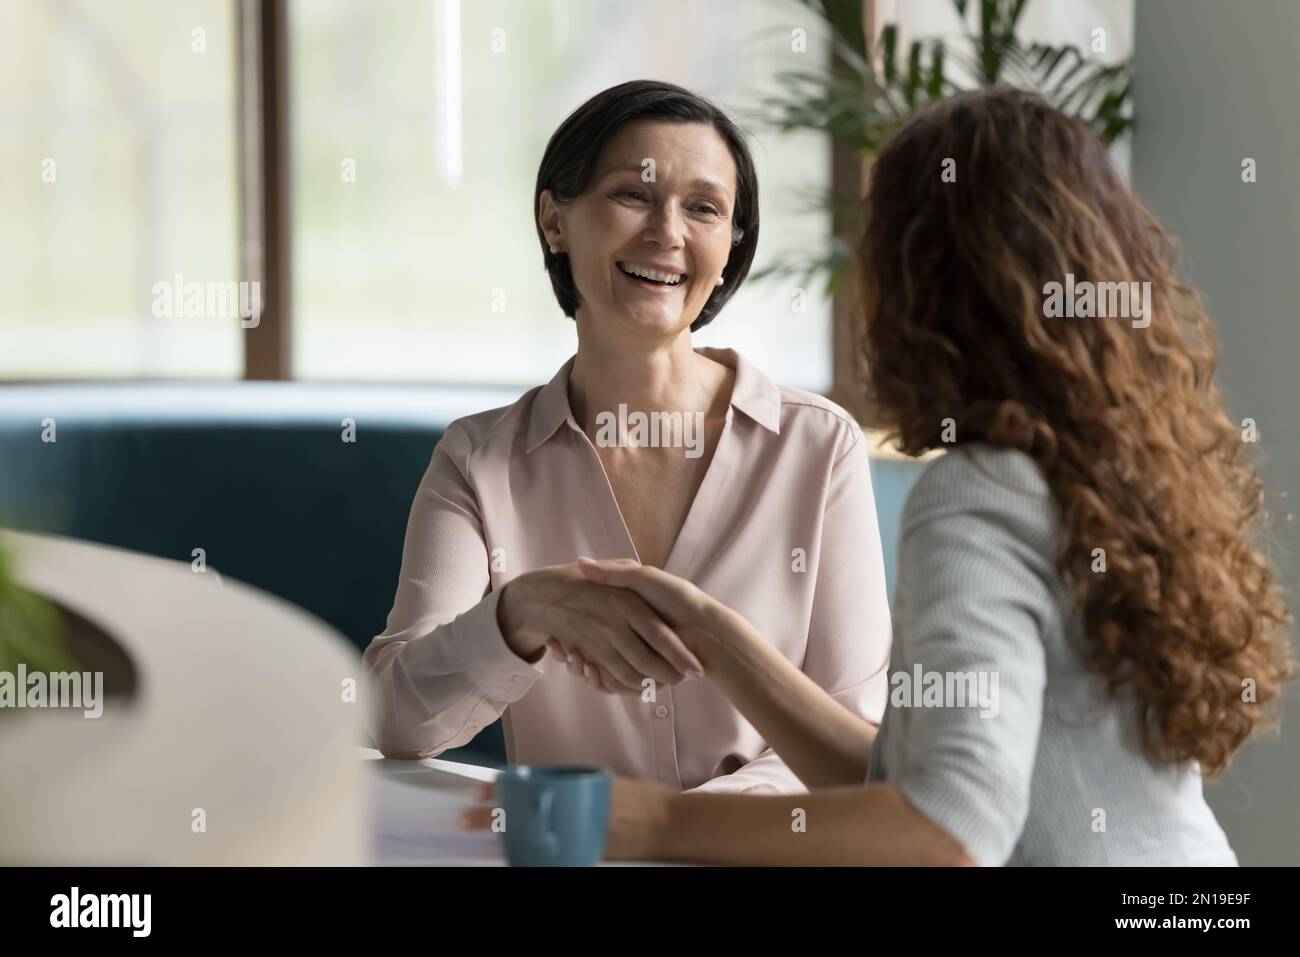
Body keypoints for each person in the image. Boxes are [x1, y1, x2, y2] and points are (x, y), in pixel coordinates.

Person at [464, 87, 1293, 865]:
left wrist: (650, 818)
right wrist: (715, 638)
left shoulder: (978, 497)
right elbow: (917, 781)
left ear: (923, 281)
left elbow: (947, 828)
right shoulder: (1095, 468)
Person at [364, 80, 893, 796]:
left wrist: (673, 832)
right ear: (555, 219)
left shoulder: (818, 449)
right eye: (633, 195)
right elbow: (394, 717)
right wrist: (519, 613)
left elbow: (858, 748)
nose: (668, 233)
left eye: (703, 208)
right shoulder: (477, 461)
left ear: (731, 246)